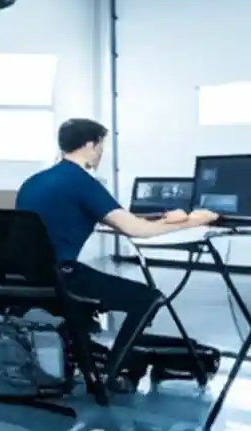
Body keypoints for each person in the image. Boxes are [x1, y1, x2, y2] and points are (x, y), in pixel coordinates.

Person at [15, 118, 219, 382]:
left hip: (27, 277)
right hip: (63, 277)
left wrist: (163, 219)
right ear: (90, 145)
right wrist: (195, 220)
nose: (100, 152)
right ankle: (113, 370)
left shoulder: (34, 181)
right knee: (148, 297)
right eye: (100, 146)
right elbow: (137, 230)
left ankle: (109, 359)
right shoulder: (82, 182)